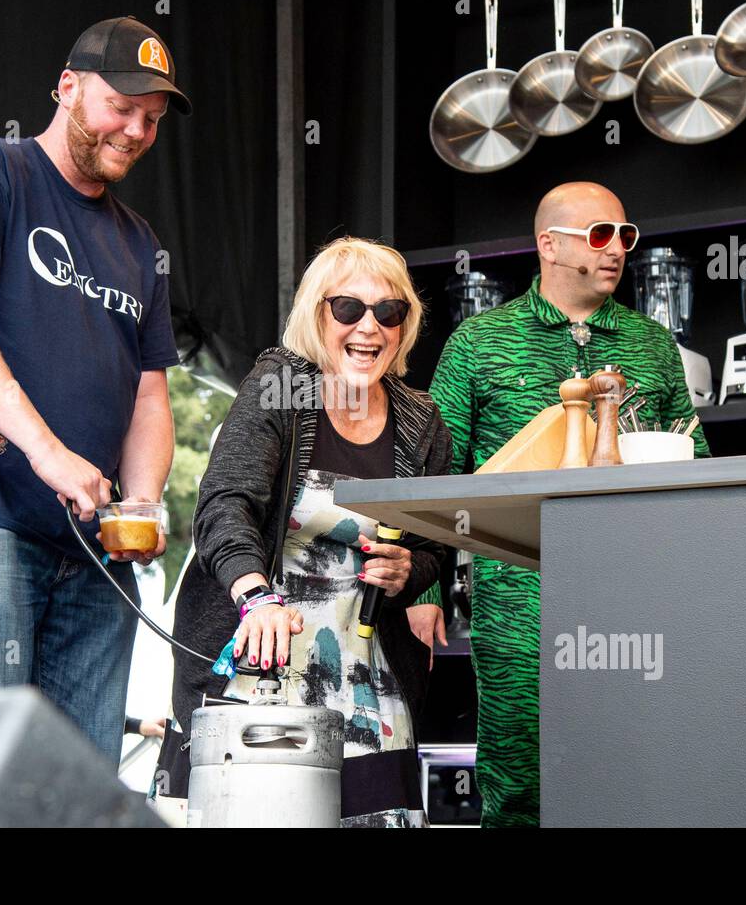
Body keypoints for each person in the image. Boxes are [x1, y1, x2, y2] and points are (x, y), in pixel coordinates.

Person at [0, 17, 189, 763]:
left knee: (74, 789)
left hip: (94, 552)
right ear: (66, 87)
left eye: (151, 119)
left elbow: (150, 396)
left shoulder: (141, 242)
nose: (136, 129)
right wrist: (47, 451)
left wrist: (144, 502)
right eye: (121, 106)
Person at [429, 182, 711, 827]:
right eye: (600, 235)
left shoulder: (651, 343)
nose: (618, 251)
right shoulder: (478, 342)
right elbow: (435, 472)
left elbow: (695, 458)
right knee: (520, 776)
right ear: (547, 245)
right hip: (515, 591)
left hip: (638, 589)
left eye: (626, 236)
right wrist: (424, 594)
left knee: (638, 766)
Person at [155, 238, 452, 827]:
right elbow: (223, 504)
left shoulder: (420, 419)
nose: (369, 328)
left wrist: (407, 572)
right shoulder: (281, 385)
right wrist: (255, 595)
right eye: (349, 309)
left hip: (370, 666)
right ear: (319, 315)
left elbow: (434, 542)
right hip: (261, 654)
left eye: (389, 312)